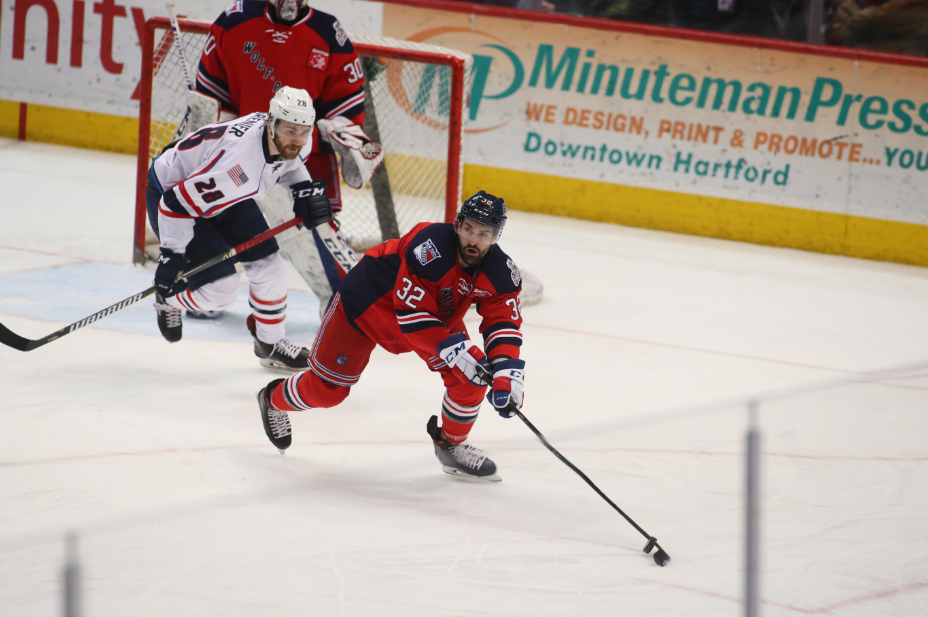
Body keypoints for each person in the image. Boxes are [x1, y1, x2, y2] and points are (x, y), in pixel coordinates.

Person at [255, 191, 528, 482]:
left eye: (484, 234)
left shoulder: (501, 273)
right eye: (469, 229)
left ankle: (451, 444)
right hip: (366, 305)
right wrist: (459, 352)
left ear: (496, 236)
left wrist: (505, 372)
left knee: (472, 376)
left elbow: (503, 324)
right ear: (458, 224)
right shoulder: (430, 246)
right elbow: (411, 315)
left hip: (429, 319)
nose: (473, 240)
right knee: (327, 390)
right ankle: (272, 399)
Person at [193, 0, 384, 314]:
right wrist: (210, 129)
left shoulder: (327, 32)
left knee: (331, 272)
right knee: (220, 221)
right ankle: (207, 284)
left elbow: (346, 105)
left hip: (305, 165)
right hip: (240, 160)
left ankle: (339, 303)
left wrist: (345, 136)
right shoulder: (234, 21)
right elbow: (211, 92)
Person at [147, 86, 334, 371]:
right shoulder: (237, 167)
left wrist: (303, 190)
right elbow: (175, 204)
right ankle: (169, 297)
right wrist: (171, 256)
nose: (297, 139)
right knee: (220, 291)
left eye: (302, 131)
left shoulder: (289, 138)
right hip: (175, 197)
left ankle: (270, 344)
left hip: (225, 195)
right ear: (271, 123)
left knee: (271, 266)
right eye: (290, 131)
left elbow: (290, 162)